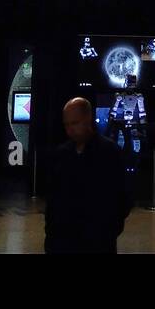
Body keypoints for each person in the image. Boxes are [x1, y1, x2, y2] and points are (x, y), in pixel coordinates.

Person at [44, 98, 132, 254]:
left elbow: (122, 197)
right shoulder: (61, 155)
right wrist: (51, 234)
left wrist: (108, 231)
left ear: (88, 119)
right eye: (67, 125)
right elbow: (53, 198)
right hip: (63, 241)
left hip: (98, 241)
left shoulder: (109, 153)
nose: (70, 129)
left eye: (75, 123)